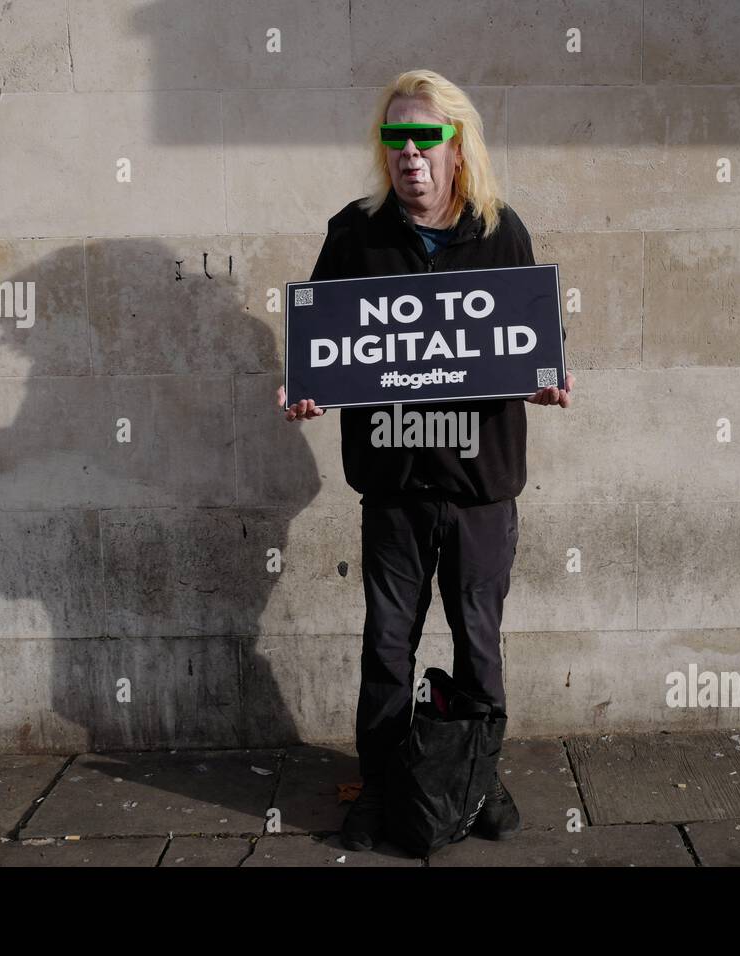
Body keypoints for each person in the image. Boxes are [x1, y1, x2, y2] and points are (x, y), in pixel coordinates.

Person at [276, 69, 573, 852]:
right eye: (395, 137)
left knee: (480, 643)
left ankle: (478, 783)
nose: (410, 153)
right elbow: (328, 345)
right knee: (387, 644)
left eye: (425, 137)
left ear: (456, 145)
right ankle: (380, 788)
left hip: (480, 485)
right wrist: (307, 390)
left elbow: (530, 340)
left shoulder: (503, 231)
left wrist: (547, 382)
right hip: (395, 483)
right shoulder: (354, 234)